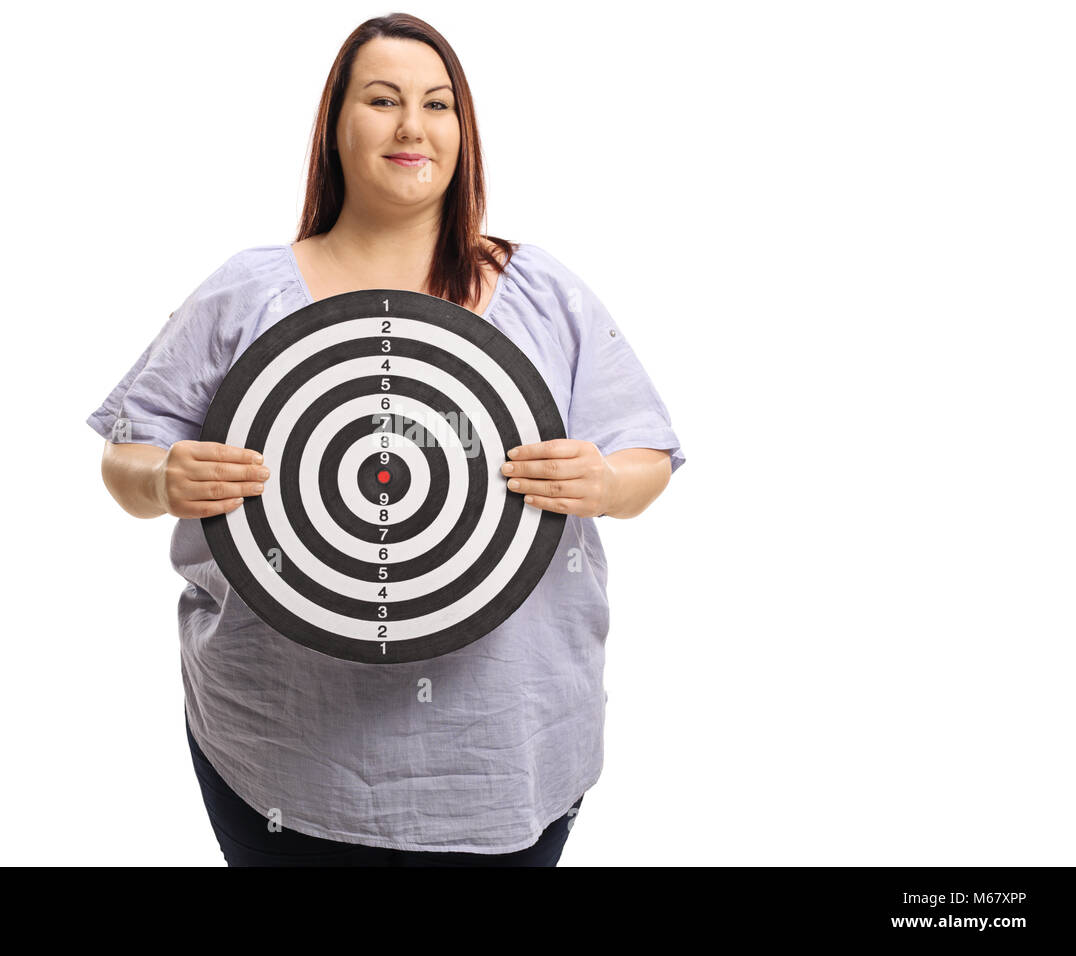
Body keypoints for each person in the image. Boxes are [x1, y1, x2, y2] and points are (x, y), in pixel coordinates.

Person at [85, 13, 685, 867]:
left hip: (504, 759)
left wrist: (605, 482)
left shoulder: (542, 289)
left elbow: (645, 454)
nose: (413, 124)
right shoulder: (244, 291)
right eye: (382, 99)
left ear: (462, 131)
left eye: (438, 104)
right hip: (280, 751)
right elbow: (127, 454)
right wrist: (161, 480)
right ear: (336, 125)